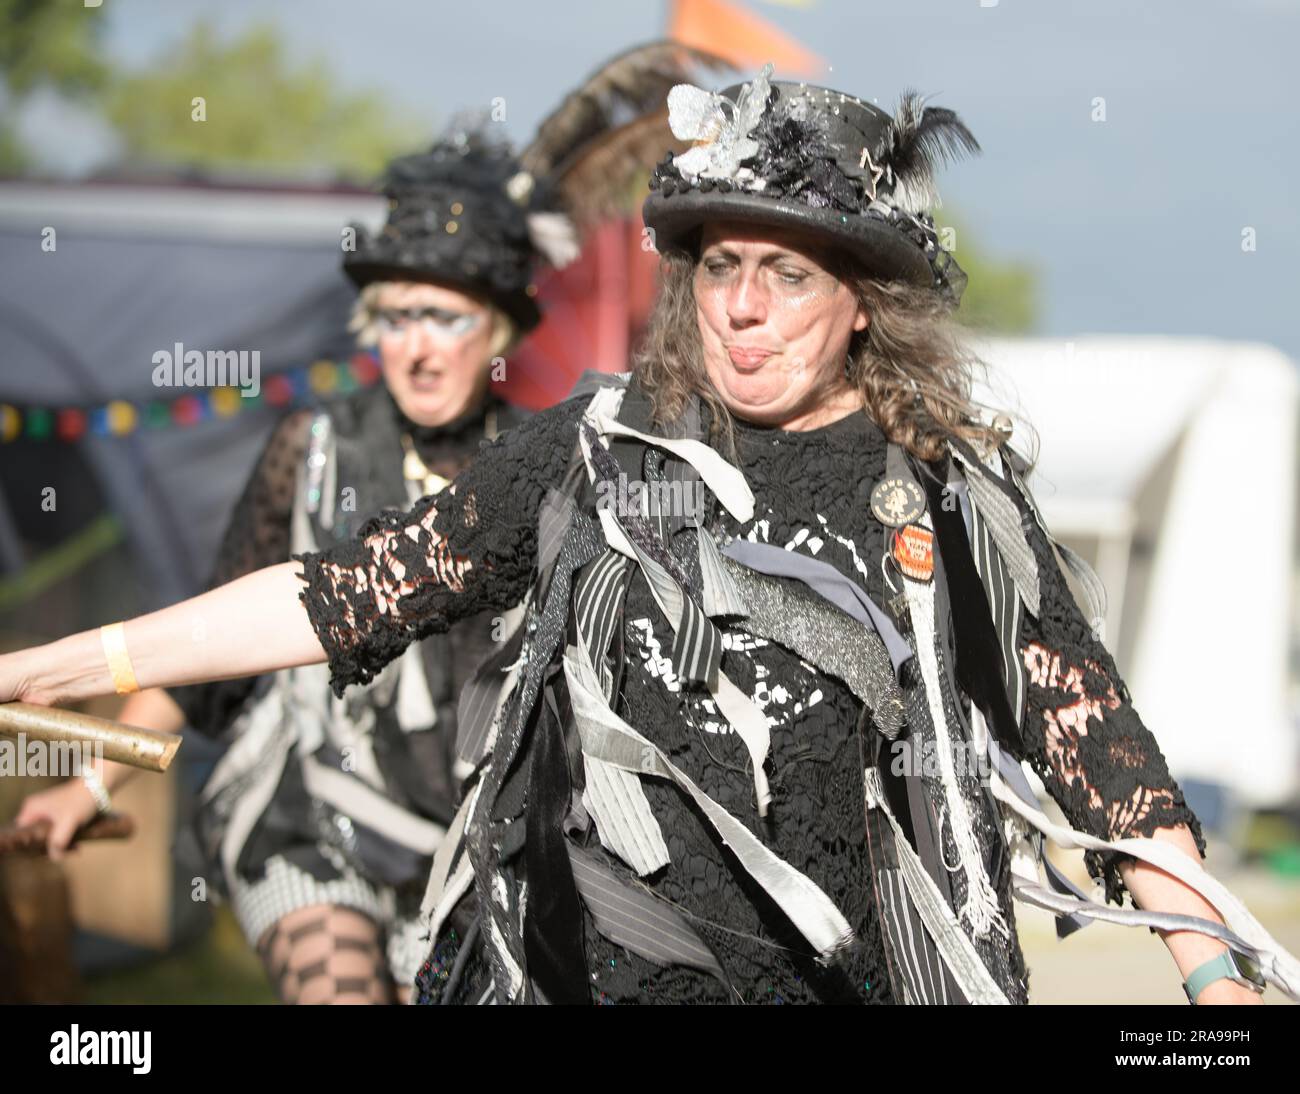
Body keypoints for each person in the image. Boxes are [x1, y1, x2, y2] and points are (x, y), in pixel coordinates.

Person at [5, 67, 1295, 1006]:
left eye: (787, 273)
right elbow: (347, 591)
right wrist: (65, 667)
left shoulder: (949, 494)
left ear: (861, 302)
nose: (741, 306)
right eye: (720, 264)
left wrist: (1213, 978)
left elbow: (1099, 752)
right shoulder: (597, 450)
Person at [11, 42, 716, 1004]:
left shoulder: (549, 468)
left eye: (445, 318)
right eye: (394, 317)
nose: (417, 348)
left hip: (474, 847)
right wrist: (89, 785)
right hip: (314, 821)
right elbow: (215, 661)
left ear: (501, 332)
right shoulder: (313, 448)